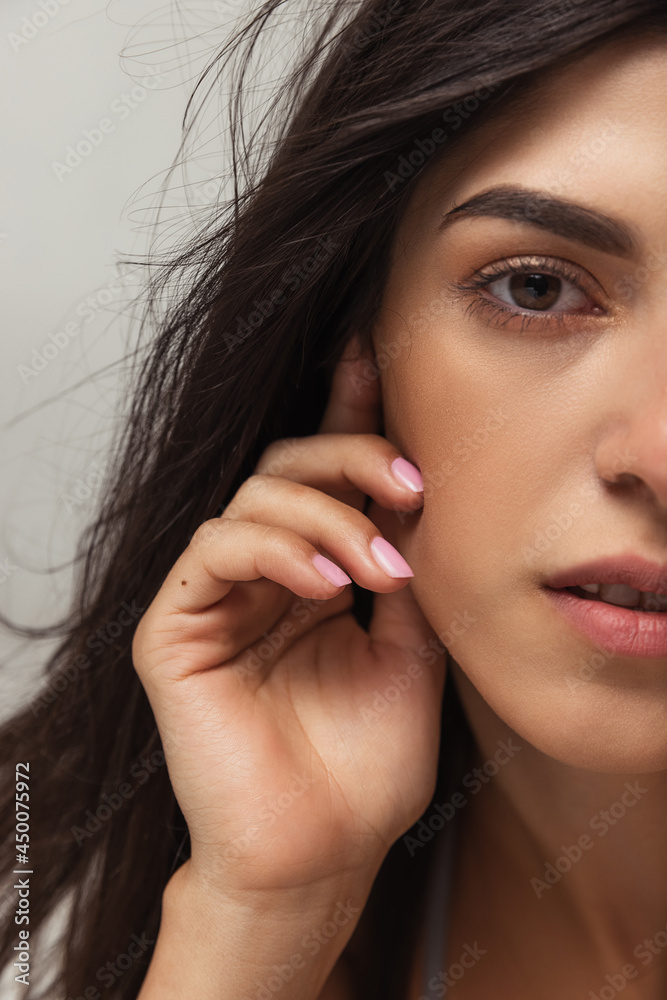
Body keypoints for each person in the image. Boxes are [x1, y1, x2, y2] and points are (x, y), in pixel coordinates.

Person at [1, 1, 666, 998]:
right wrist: (261, 917)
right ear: (359, 339)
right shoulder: (39, 913)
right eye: (534, 289)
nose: (656, 453)